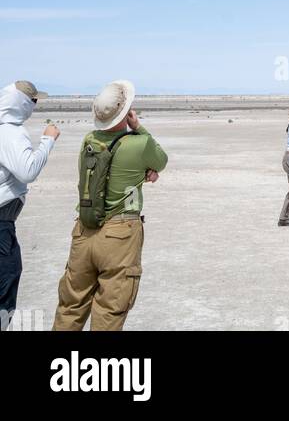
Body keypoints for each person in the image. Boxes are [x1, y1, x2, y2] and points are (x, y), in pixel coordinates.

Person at [53, 79, 167, 332]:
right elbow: (160, 160)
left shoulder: (88, 140)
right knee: (109, 310)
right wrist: (138, 128)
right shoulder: (139, 143)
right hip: (120, 235)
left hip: (84, 230)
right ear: (126, 112)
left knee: (70, 306)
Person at [0, 80, 60, 330]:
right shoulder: (9, 132)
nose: (35, 107)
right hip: (2, 224)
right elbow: (27, 171)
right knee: (6, 281)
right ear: (22, 103)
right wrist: (48, 141)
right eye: (33, 101)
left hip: (5, 223)